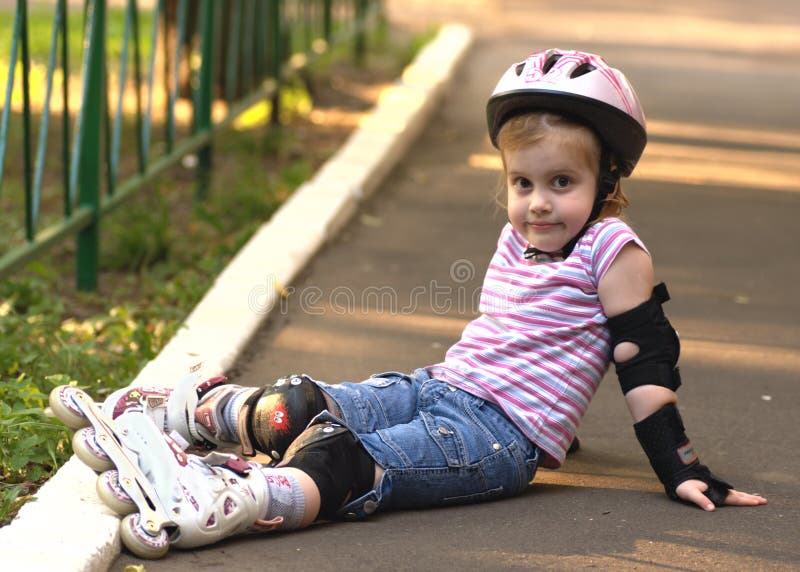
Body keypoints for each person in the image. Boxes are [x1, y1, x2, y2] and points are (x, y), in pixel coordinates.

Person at [85, 48, 769, 553]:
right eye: (522, 182)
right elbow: (525, 340)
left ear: (608, 175)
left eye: (562, 181)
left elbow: (642, 360)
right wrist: (566, 412)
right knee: (301, 402)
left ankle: (243, 500)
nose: (537, 202)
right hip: (443, 386)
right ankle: (199, 420)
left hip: (499, 437)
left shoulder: (615, 249)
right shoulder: (517, 236)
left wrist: (681, 467)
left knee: (341, 456)